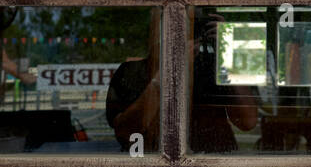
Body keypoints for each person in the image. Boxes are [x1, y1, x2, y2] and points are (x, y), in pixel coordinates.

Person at [106, 10, 258, 152]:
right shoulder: (133, 71)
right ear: (155, 32)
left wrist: (227, 53)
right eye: (175, 28)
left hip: (213, 162)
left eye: (193, 27)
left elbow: (248, 122)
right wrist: (166, 74)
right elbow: (125, 132)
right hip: (154, 164)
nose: (184, 35)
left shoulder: (213, 67)